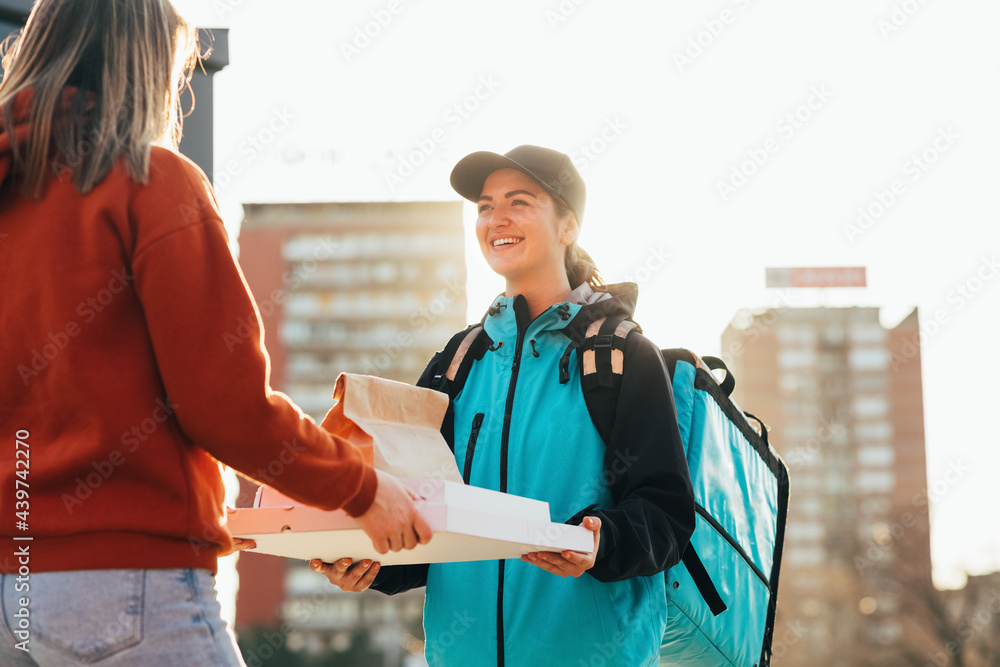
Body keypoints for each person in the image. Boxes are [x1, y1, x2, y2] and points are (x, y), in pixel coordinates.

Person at [0, 1, 430, 665]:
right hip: (127, 583)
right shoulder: (149, 182)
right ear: (148, 64)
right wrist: (363, 488)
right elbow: (222, 404)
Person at [312, 145, 696, 666]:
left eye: (520, 201)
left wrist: (601, 542)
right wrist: (370, 561)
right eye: (486, 206)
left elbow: (667, 517)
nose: (497, 219)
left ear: (568, 227)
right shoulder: (459, 361)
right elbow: (431, 520)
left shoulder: (621, 358)